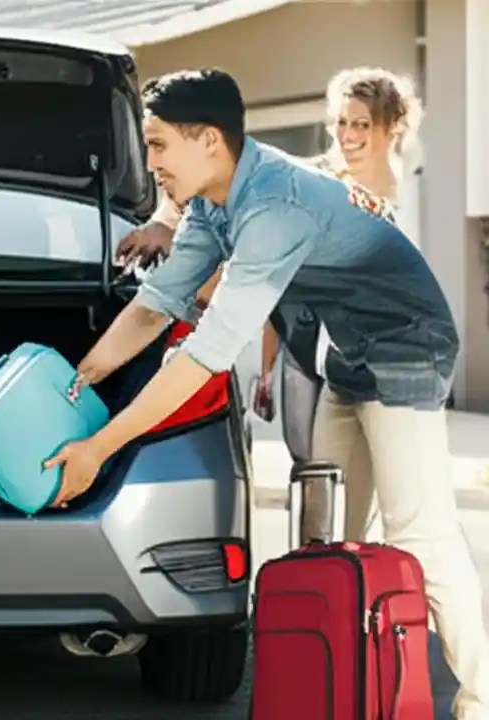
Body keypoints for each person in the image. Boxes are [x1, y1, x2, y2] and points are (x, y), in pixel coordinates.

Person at [44, 68, 488, 719]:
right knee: (326, 540)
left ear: (208, 141)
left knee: (417, 531)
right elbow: (155, 306)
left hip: (409, 346)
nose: (152, 163)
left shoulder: (273, 208)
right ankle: (341, 682)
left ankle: (479, 698)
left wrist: (98, 447)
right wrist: (74, 382)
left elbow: (200, 357)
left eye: (160, 145)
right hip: (346, 353)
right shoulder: (212, 204)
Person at [116, 67, 425, 541]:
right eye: (341, 123)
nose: (348, 135)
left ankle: (356, 583)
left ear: (391, 127)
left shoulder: (398, 201)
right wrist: (267, 363)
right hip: (305, 353)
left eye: (362, 124)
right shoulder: (315, 177)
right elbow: (226, 207)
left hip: (372, 362)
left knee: (371, 496)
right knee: (314, 472)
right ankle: (316, 580)